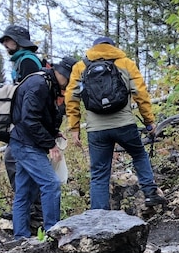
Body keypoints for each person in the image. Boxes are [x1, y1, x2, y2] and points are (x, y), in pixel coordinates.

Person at [64, 36, 165, 210]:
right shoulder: (125, 63)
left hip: (96, 130)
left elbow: (71, 98)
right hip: (124, 124)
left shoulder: (80, 67)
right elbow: (140, 94)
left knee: (99, 173)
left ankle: (98, 215)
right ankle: (150, 193)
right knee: (139, 155)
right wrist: (149, 121)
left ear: (94, 48)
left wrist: (74, 128)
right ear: (112, 47)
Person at [9, 60, 70, 239]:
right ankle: (53, 232)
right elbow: (29, 119)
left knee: (24, 192)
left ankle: (20, 238)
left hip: (25, 142)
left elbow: (39, 116)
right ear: (64, 75)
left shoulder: (47, 84)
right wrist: (50, 144)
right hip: (26, 144)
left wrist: (54, 133)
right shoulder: (39, 85)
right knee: (51, 183)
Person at [0, 24, 44, 228]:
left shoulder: (27, 62)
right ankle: (28, 208)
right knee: (20, 164)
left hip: (27, 122)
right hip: (26, 121)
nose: (5, 44)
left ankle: (33, 208)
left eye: (8, 40)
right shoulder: (22, 61)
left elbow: (31, 93)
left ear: (17, 41)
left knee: (14, 160)